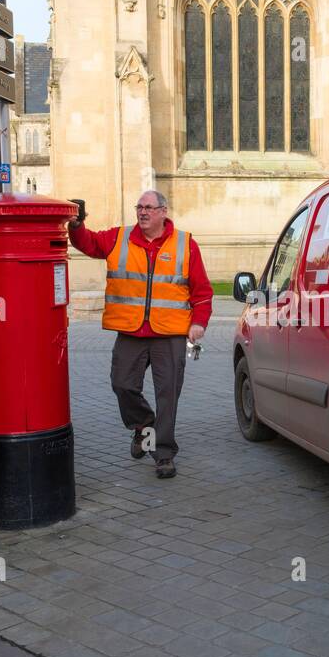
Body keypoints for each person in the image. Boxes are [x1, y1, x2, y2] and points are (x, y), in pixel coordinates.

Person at [67, 191, 212, 478]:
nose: (142, 212)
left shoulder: (185, 244)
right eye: (139, 207)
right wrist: (76, 225)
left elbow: (202, 291)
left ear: (163, 211)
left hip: (169, 332)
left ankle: (163, 454)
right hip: (131, 330)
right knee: (122, 385)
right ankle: (144, 425)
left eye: (148, 208)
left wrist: (199, 323)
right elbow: (89, 243)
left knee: (168, 394)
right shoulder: (119, 238)